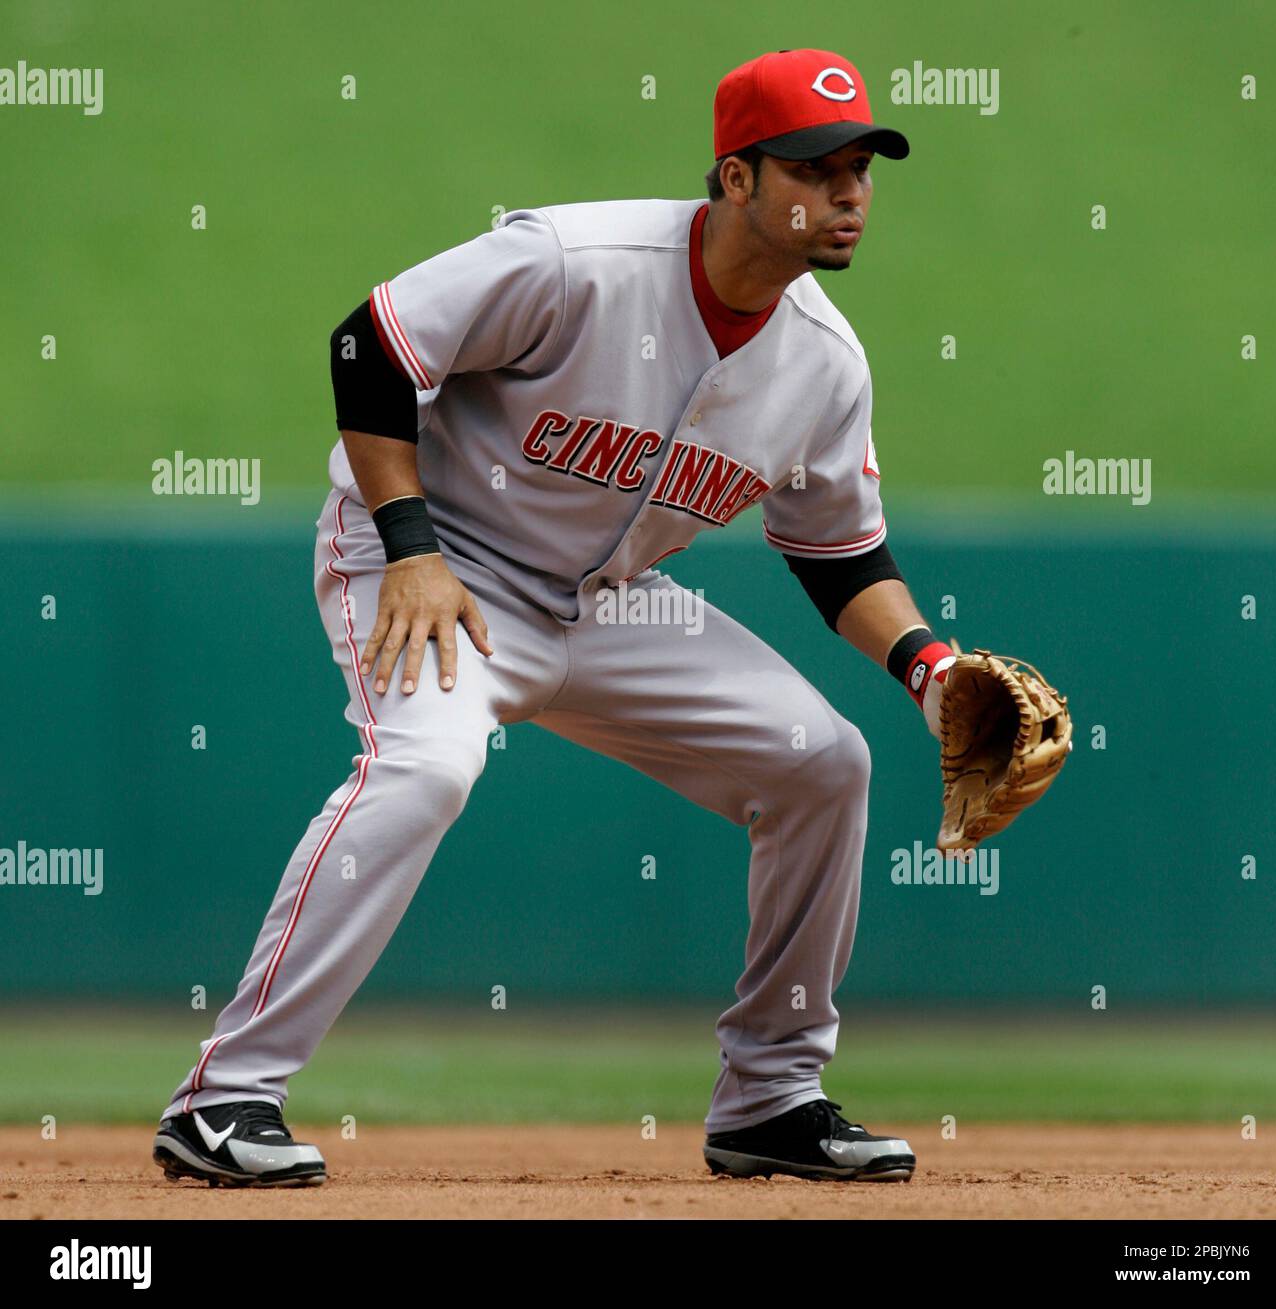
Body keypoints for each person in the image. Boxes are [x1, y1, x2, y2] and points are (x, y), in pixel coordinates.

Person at [153, 47, 954, 1188]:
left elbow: (840, 553)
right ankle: (225, 1098)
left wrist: (930, 666)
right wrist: (412, 548)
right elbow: (368, 345)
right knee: (427, 768)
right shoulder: (579, 260)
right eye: (816, 167)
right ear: (734, 179)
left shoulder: (823, 361)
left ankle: (772, 1101)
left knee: (822, 761)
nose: (848, 193)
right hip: (434, 568)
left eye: (862, 167)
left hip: (607, 604)